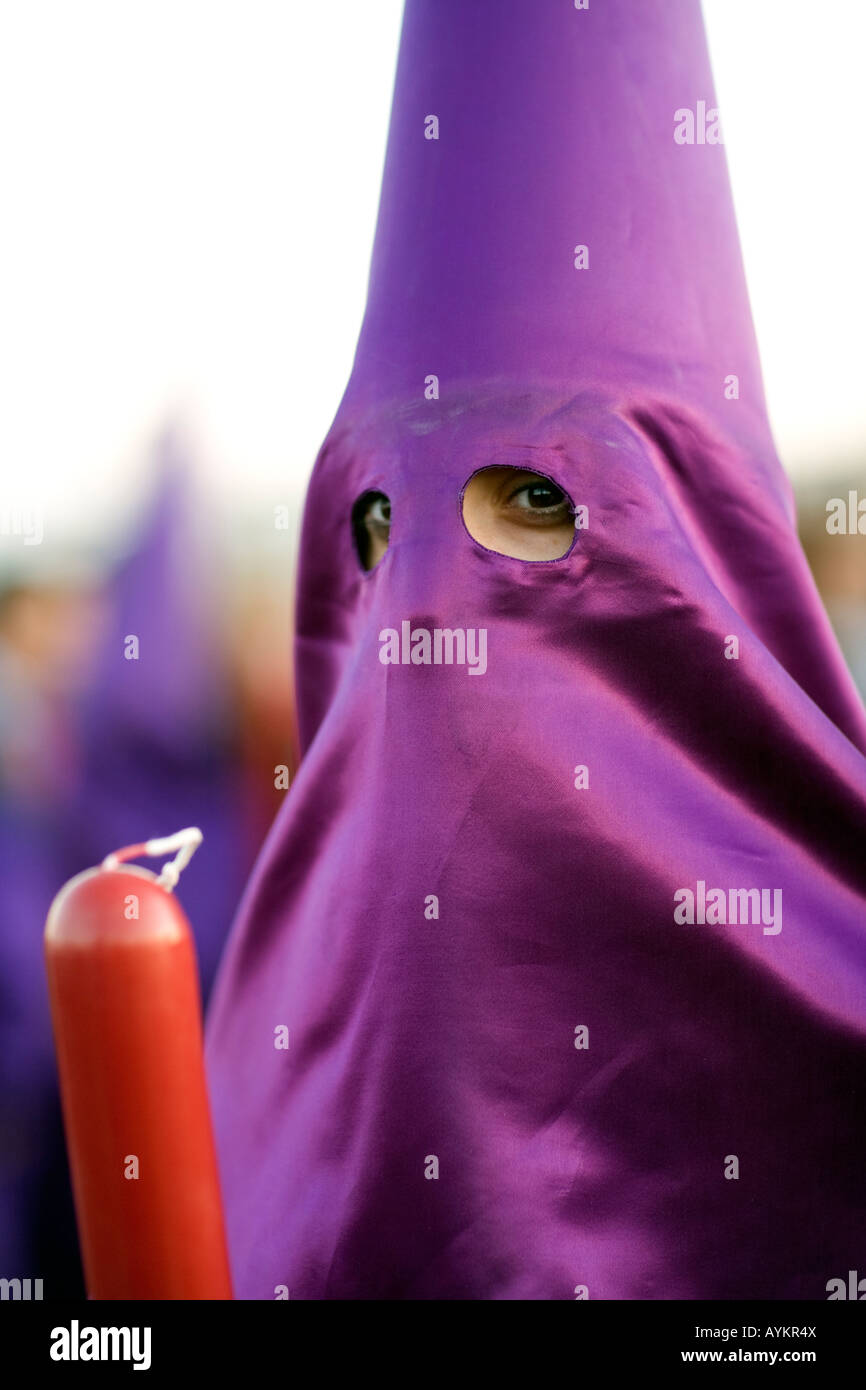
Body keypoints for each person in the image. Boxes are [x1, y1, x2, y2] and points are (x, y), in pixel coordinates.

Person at [204, 0, 866, 1299]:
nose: (431, 606)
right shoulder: (243, 1050)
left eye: (535, 503)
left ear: (705, 541)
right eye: (380, 524)